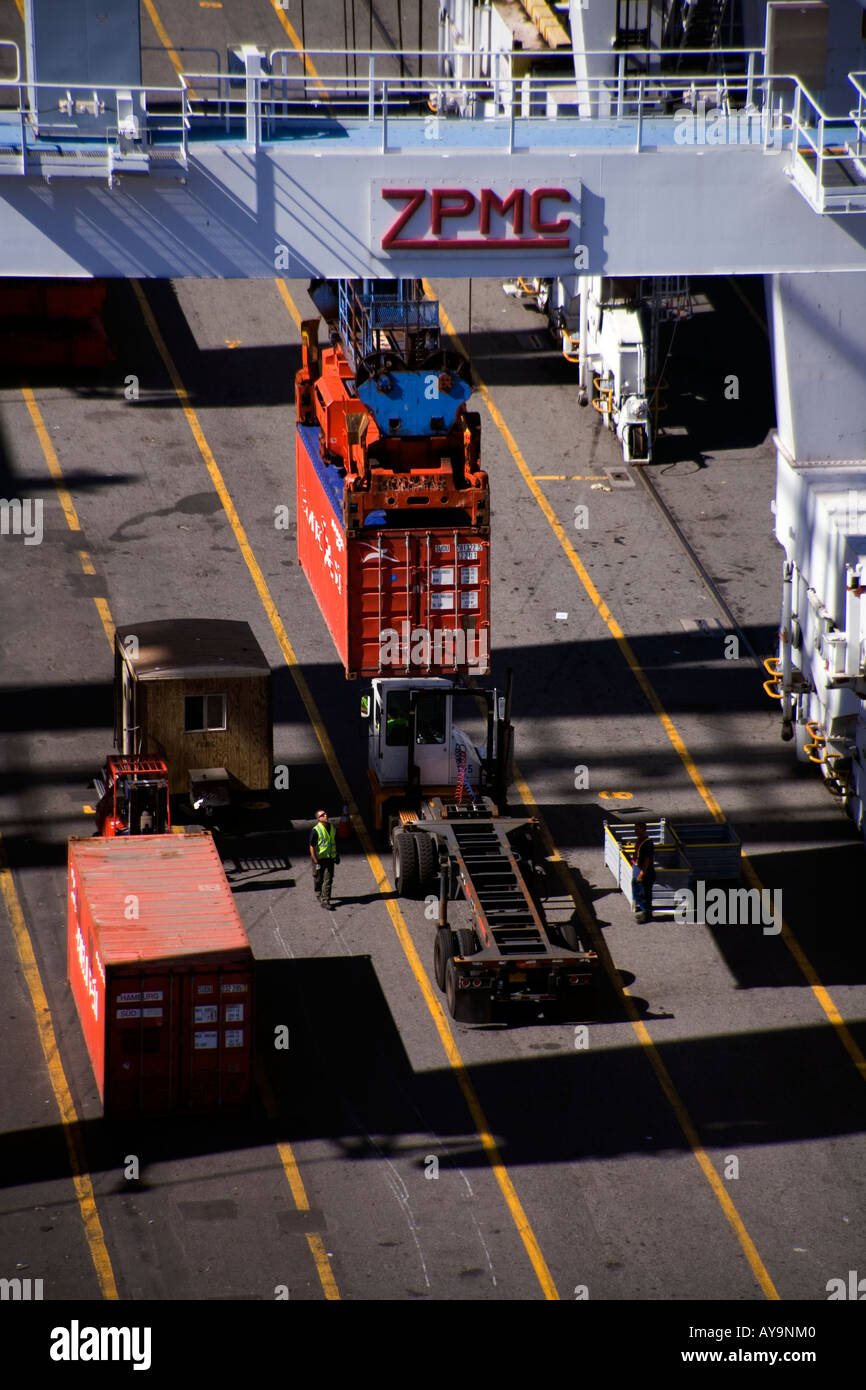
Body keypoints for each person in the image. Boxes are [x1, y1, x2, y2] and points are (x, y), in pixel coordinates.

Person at [310, 809, 339, 910]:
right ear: (318, 819)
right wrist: (315, 861)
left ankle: (325, 900)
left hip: (329, 859)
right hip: (319, 859)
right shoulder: (315, 830)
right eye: (322, 815)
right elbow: (312, 847)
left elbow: (334, 842)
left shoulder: (331, 828)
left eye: (325, 814)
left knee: (328, 879)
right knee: (318, 878)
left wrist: (336, 855)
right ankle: (318, 892)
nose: (325, 816)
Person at [631, 821, 655, 923]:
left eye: (637, 829)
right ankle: (643, 911)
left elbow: (648, 859)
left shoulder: (648, 843)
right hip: (637, 869)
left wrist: (642, 873)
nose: (635, 831)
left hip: (644, 872)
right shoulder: (640, 840)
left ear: (643, 829)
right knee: (636, 888)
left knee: (644, 892)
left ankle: (647, 915)